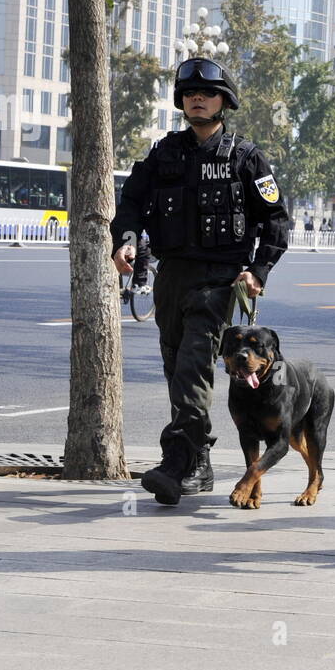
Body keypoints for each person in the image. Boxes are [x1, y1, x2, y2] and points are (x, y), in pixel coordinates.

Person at [110, 57, 290, 505]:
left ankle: (177, 462)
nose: (197, 99)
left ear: (223, 101)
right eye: (190, 93)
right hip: (171, 275)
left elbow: (277, 220)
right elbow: (131, 202)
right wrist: (126, 241)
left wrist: (259, 269)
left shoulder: (246, 158)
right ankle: (200, 463)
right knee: (176, 368)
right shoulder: (163, 154)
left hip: (220, 278)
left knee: (192, 366)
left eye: (207, 93)